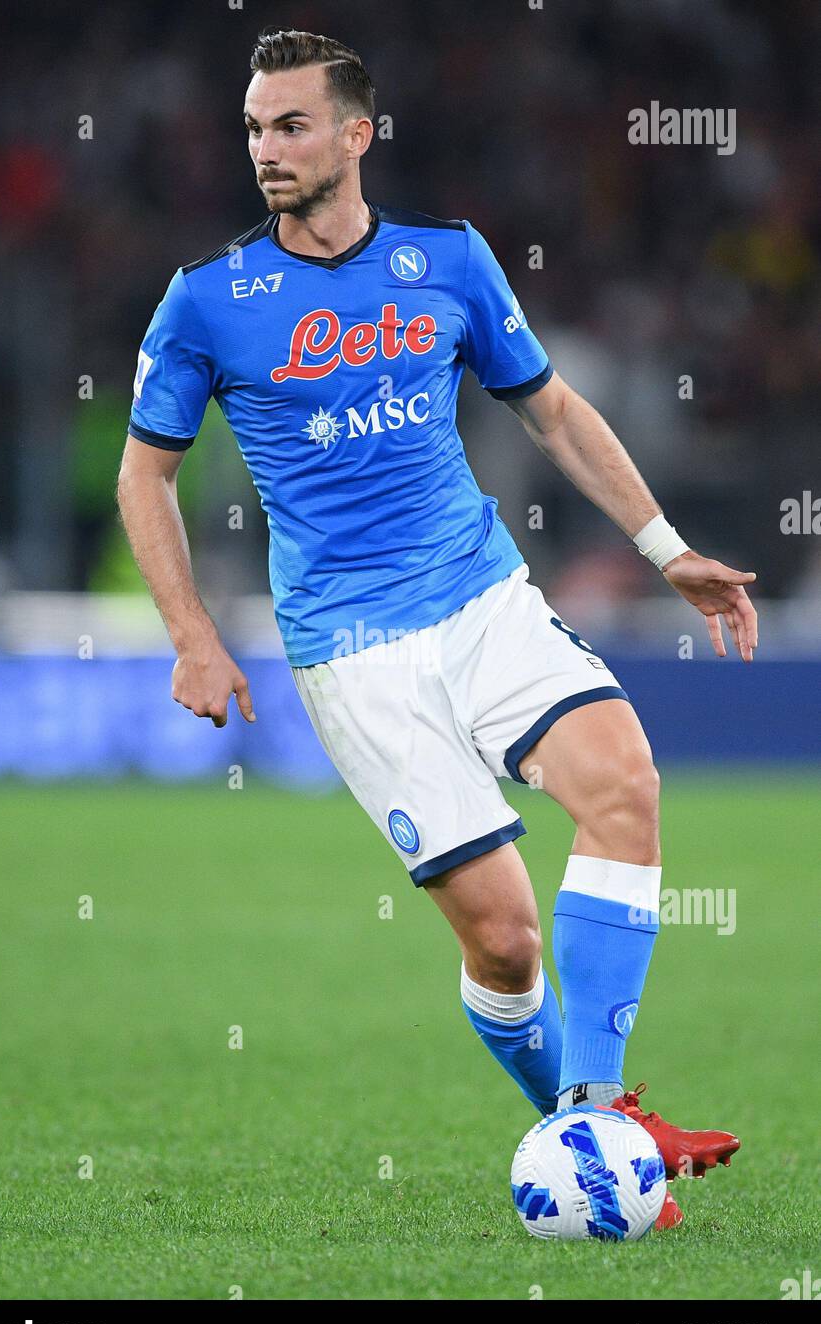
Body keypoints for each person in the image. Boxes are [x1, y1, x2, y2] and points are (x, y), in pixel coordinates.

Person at [118, 29, 757, 1230]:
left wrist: (666, 552)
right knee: (509, 943)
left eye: (291, 124)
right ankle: (593, 1119)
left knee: (624, 782)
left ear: (357, 134)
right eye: (254, 127)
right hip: (354, 650)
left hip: (481, 595)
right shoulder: (209, 300)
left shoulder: (449, 262)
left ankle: (599, 1113)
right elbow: (144, 474)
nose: (266, 147)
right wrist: (191, 634)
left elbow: (554, 410)